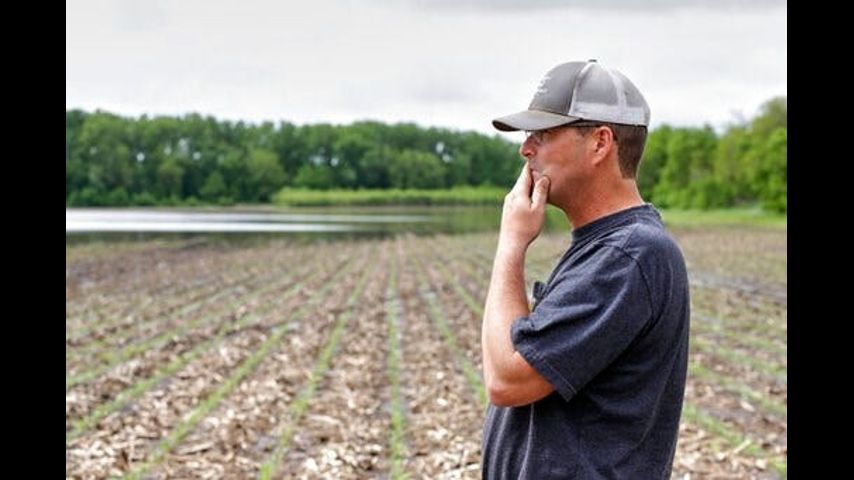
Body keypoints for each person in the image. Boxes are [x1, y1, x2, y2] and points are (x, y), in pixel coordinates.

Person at [480, 59, 691, 479]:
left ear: (600, 143)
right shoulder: (607, 247)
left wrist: (511, 245)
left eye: (542, 134)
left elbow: (507, 379)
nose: (526, 149)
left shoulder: (630, 255)